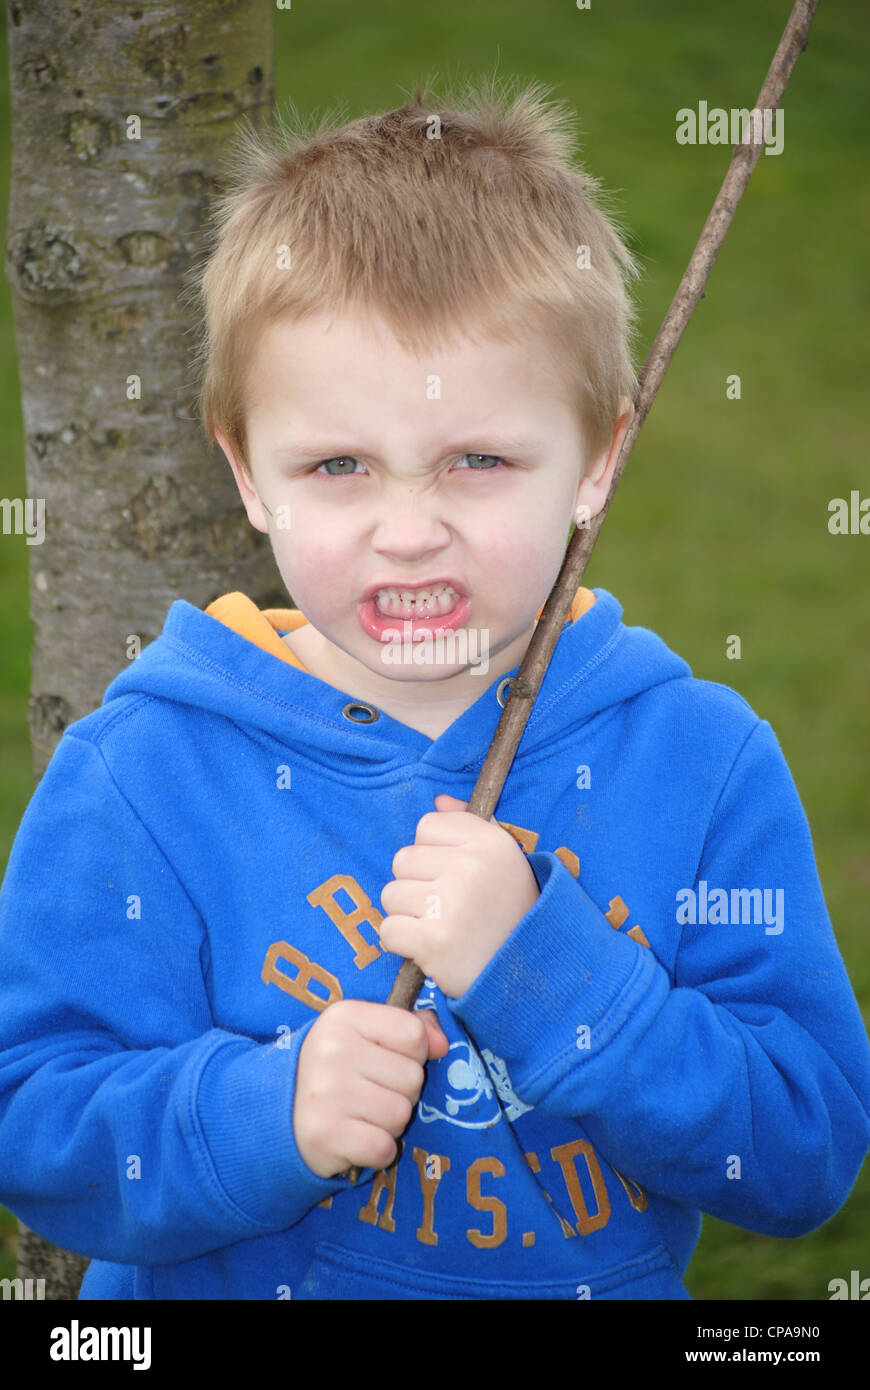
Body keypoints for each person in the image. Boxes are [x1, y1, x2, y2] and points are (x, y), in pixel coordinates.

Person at [0, 76, 867, 1302]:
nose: (409, 532)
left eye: (479, 461)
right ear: (248, 470)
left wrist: (553, 975)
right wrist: (263, 1114)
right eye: (339, 464)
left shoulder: (700, 761)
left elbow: (803, 1149)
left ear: (597, 459)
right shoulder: (145, 771)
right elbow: (31, 1119)